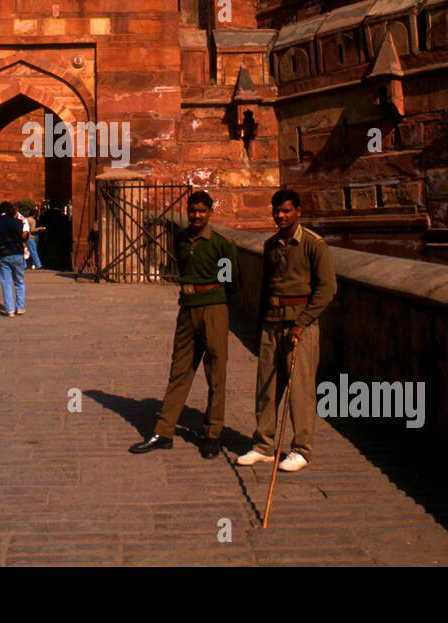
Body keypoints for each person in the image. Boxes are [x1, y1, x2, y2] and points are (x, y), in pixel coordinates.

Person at [130, 190, 239, 459]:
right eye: (193, 211)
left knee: (216, 373)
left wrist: (214, 301)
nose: (197, 216)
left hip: (213, 308)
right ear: (188, 211)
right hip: (187, 309)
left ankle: (212, 434)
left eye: (202, 211)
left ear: (210, 213)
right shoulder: (180, 239)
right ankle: (164, 431)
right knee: (179, 371)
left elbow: (232, 283)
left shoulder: (221, 243)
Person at [236, 188, 337, 472]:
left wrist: (302, 323)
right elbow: (264, 289)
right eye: (276, 211)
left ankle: (301, 449)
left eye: (286, 211)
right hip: (271, 322)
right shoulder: (270, 246)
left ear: (298, 212)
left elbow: (327, 288)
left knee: (300, 389)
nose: (280, 216)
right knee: (266, 387)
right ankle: (264, 446)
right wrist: (259, 329)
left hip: (300, 326)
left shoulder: (313, 245)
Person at [0, 200, 27, 317]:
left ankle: (9, 310)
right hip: (17, 253)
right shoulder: (17, 222)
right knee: (19, 281)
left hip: (3, 254)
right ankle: (20, 307)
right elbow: (23, 236)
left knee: (6, 282)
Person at [19, 201, 43, 269]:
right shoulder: (32, 220)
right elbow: (32, 230)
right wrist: (39, 228)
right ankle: (38, 264)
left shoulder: (25, 219)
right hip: (30, 237)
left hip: (24, 236)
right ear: (35, 215)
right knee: (34, 252)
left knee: (24, 251)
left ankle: (24, 265)